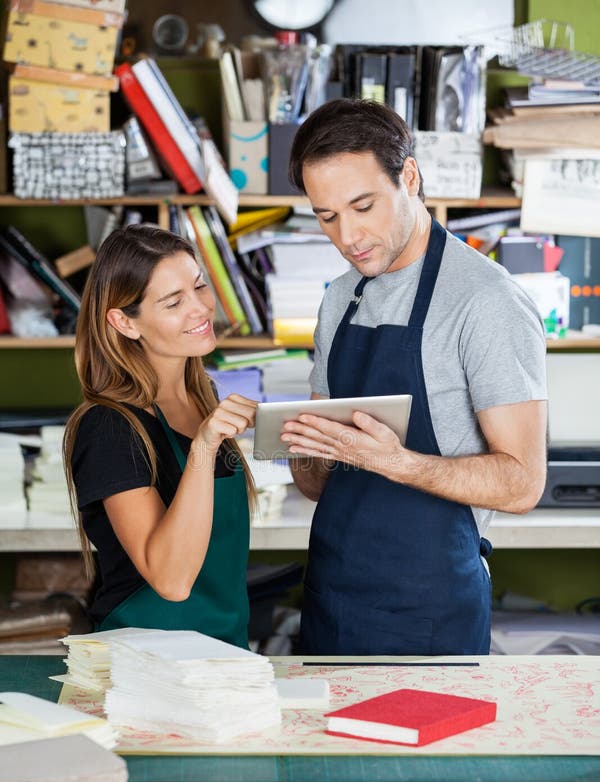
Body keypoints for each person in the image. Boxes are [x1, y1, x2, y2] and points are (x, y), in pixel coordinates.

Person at [282, 98, 548, 656]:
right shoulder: (339, 299)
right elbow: (314, 483)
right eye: (327, 217)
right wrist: (297, 443)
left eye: (363, 206)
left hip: (430, 608)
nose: (348, 236)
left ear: (408, 176)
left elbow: (523, 484)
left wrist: (394, 462)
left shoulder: (485, 301)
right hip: (332, 593)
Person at [63, 225, 257, 646]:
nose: (202, 308)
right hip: (144, 666)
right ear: (124, 322)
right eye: (174, 302)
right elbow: (171, 580)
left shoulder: (204, 399)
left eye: (199, 286)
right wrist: (203, 448)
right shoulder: (110, 426)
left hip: (225, 655)